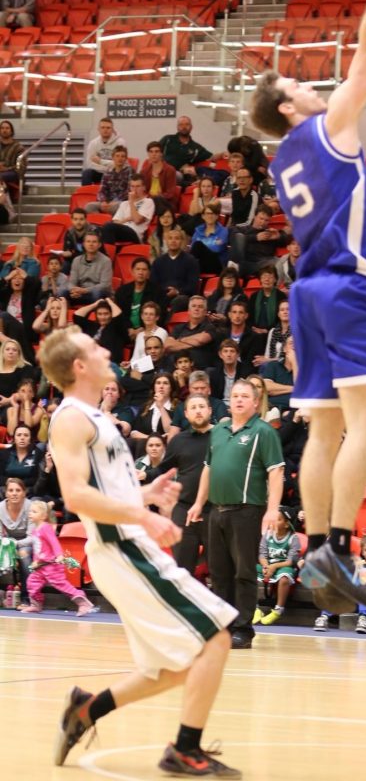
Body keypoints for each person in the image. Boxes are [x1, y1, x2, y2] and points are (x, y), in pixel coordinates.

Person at [249, 0, 366, 617]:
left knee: (322, 426)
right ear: (288, 105)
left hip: (303, 295)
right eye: (302, 85)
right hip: (345, 285)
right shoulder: (328, 126)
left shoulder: (282, 161)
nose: (316, 85)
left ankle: (316, 544)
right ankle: (340, 544)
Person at [39, 327, 240, 776]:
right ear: (79, 366)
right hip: (121, 548)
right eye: (95, 348)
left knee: (174, 666)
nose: (106, 350)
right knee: (217, 636)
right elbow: (74, 497)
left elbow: (105, 488)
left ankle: (86, 711)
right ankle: (185, 750)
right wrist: (143, 517)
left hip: (129, 545)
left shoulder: (95, 417)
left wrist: (146, 493)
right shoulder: (71, 418)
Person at [187, 378, 284, 649]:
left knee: (243, 572)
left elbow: (276, 471)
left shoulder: (264, 432)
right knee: (219, 573)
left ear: (255, 402)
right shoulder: (218, 431)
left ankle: (243, 629)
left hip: (246, 512)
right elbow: (208, 468)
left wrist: (273, 509)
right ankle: (222, 627)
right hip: (216, 511)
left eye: (245, 396)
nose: (239, 399)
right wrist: (198, 503)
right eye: (235, 395)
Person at [145, 394, 214, 575]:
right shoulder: (179, 441)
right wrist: (145, 473)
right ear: (186, 414)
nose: (198, 411)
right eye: (193, 408)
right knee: (182, 571)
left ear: (209, 410)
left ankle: (221, 604)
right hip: (184, 511)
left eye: (201, 406)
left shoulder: (221, 436)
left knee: (220, 571)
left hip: (215, 511)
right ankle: (184, 604)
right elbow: (162, 469)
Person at [19, 499, 95, 615]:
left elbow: (54, 542)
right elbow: (38, 548)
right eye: (30, 511)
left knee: (62, 585)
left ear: (43, 516)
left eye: (34, 512)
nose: (30, 513)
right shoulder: (35, 530)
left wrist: (59, 555)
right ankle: (36, 604)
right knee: (31, 582)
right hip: (40, 566)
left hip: (51, 565)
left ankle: (83, 602)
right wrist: (34, 561)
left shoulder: (46, 527)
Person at [254, 507, 301, 626]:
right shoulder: (268, 535)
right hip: (268, 565)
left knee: (284, 578)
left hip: (283, 566)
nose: (274, 521)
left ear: (286, 524)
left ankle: (278, 610)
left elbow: (290, 561)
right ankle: (254, 608)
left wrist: (273, 566)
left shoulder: (293, 538)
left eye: (279, 519)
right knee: (249, 572)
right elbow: (262, 554)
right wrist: (265, 566)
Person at [150, 227, 200, 312]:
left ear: (182, 241)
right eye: (170, 238)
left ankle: (166, 323)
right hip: (162, 295)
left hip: (182, 296)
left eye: (177, 238)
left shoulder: (191, 261)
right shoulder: (158, 262)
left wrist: (177, 292)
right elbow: (153, 284)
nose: (173, 241)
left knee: (180, 300)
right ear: (166, 241)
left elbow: (192, 286)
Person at [59, 229, 112, 305]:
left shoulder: (106, 261)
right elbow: (72, 282)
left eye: (94, 242)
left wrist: (85, 290)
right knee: (62, 291)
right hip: (80, 293)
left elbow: (104, 285)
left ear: (99, 245)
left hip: (96, 294)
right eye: (88, 241)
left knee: (97, 293)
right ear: (83, 244)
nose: (91, 244)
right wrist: (74, 290)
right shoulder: (76, 260)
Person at [100, 175, 155, 247]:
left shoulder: (148, 202)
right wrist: (128, 218)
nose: (135, 189)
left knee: (108, 228)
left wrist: (131, 202)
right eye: (132, 186)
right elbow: (116, 222)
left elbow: (137, 220)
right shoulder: (124, 204)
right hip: (120, 231)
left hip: (134, 234)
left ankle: (108, 255)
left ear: (144, 187)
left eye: (138, 186)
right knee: (97, 230)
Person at [160, 116, 216, 185]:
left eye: (187, 124)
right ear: (177, 127)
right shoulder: (167, 139)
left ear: (191, 127)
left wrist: (223, 154)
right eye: (181, 125)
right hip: (162, 170)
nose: (184, 127)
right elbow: (155, 151)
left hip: (178, 175)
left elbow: (211, 156)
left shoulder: (196, 147)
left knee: (176, 174)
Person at [84, 144, 133, 215]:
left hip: (122, 202)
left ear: (126, 158)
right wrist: (104, 201)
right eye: (117, 156)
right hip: (108, 202)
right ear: (113, 158)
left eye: (123, 156)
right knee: (89, 206)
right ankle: (101, 223)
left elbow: (129, 190)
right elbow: (102, 190)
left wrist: (115, 201)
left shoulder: (130, 171)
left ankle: (110, 224)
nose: (120, 158)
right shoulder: (108, 172)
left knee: (118, 206)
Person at [81, 117, 126, 186]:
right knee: (86, 173)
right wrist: (106, 167)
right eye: (103, 127)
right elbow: (90, 164)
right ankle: (86, 195)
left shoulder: (120, 143)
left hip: (114, 172)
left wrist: (100, 161)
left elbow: (120, 163)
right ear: (98, 129)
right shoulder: (93, 143)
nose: (105, 130)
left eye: (108, 128)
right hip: (99, 172)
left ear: (112, 129)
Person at [140, 141, 179, 212]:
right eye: (151, 152)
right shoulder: (144, 171)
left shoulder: (170, 170)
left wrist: (156, 197)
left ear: (161, 153)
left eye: (156, 151)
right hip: (148, 202)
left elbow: (170, 193)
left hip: (164, 202)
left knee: (156, 201)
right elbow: (143, 191)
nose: (153, 154)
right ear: (148, 154)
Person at [191, 203, 229, 274]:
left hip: (217, 264)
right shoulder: (198, 231)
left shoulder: (223, 231)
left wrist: (202, 247)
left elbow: (217, 248)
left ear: (217, 216)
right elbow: (192, 249)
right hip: (201, 263)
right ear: (203, 216)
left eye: (213, 214)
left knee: (198, 244)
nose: (210, 216)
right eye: (207, 213)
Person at [0, 119, 24, 188]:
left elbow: (22, 167)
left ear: (11, 131)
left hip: (13, 173)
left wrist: (6, 168)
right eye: (2, 128)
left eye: (7, 128)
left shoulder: (18, 147)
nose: (4, 130)